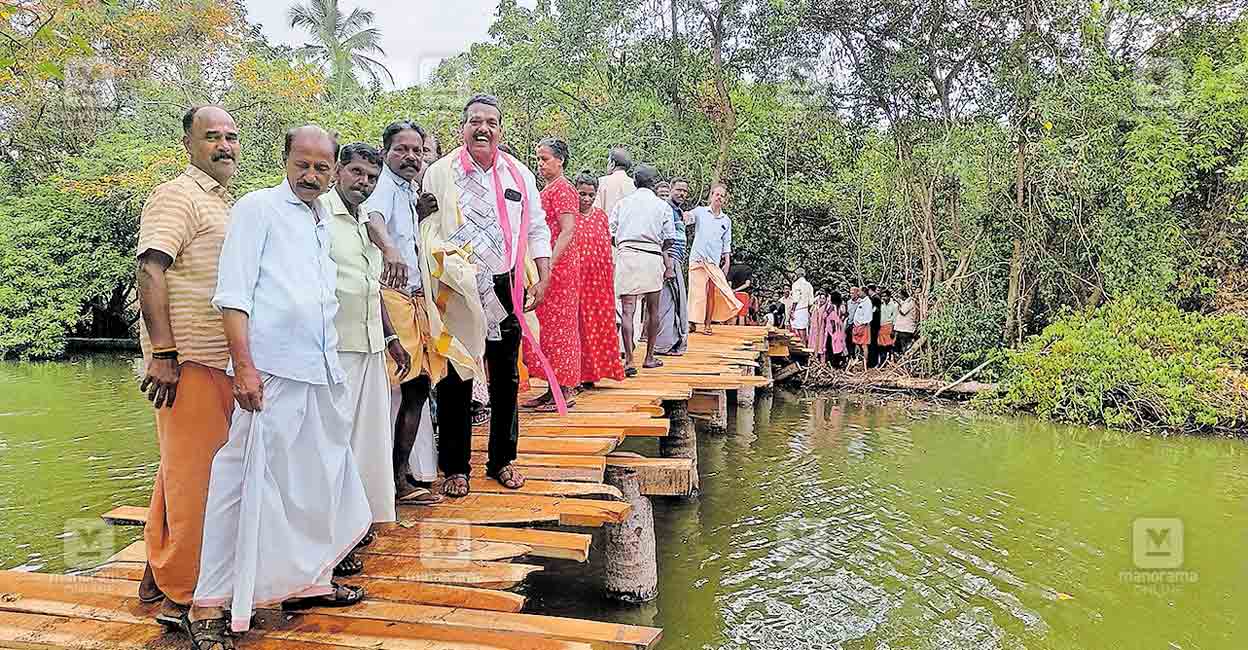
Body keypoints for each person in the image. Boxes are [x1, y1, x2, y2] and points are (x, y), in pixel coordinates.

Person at [188, 126, 371, 647]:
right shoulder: (256, 209)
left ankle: (306, 579)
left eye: (321, 168)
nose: (311, 176)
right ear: (284, 161)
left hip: (319, 369)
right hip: (270, 372)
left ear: (333, 170)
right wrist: (243, 366)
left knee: (318, 478)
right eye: (302, 165)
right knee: (243, 479)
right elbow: (233, 295)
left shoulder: (320, 219)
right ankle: (210, 602)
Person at [417, 94, 555, 498]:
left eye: (491, 122)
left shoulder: (520, 175)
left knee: (505, 374)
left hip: (504, 282)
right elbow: (425, 227)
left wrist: (542, 275)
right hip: (456, 284)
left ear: (501, 130)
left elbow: (536, 227)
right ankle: (455, 466)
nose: (483, 128)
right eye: (475, 121)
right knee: (457, 372)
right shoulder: (439, 173)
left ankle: (502, 460)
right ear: (462, 128)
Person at [135, 105, 239, 629]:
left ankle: (157, 574)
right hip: (189, 358)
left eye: (230, 136)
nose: (224, 145)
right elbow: (151, 268)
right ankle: (188, 591)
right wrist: (164, 353)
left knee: (180, 466)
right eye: (211, 137)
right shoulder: (177, 195)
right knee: (198, 475)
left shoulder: (221, 202)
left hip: (217, 358)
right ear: (188, 144)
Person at [326, 142, 438, 578]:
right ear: (339, 172)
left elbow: (368, 285)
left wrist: (390, 336)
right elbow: (381, 234)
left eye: (369, 178)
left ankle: (361, 516)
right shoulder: (326, 217)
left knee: (366, 433)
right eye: (356, 173)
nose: (364, 183)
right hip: (339, 348)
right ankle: (337, 534)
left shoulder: (383, 206)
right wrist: (392, 250)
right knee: (340, 437)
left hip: (375, 337)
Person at [361, 120, 443, 502]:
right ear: (386, 152)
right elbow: (373, 220)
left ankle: (399, 477)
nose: (411, 157)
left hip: (414, 300)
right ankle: (389, 482)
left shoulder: (408, 189)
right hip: (392, 300)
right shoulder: (381, 185)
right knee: (398, 390)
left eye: (418, 151)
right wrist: (389, 249)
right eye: (402, 150)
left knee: (417, 388)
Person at [522, 137, 581, 410]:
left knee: (561, 328)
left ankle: (566, 391)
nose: (540, 164)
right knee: (546, 327)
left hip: (559, 268)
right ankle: (551, 388)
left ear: (561, 161)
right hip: (547, 267)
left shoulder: (564, 190)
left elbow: (567, 230)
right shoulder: (548, 189)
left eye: (545, 159)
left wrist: (550, 265)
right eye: (538, 159)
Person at [610, 164, 677, 376]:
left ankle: (629, 360)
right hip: (651, 256)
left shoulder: (622, 204)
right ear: (653, 184)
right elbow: (670, 238)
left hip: (627, 255)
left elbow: (611, 233)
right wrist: (657, 247)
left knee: (628, 309)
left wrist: (624, 244)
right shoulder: (662, 206)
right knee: (653, 309)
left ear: (635, 182)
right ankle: (648, 357)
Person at [572, 172, 625, 386]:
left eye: (590, 194)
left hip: (599, 283)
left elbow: (606, 250)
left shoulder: (602, 216)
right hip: (575, 282)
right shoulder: (569, 216)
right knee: (578, 327)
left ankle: (592, 374)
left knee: (596, 325)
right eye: (582, 193)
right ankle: (576, 374)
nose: (586, 198)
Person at [687, 184, 742, 335]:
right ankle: (691, 322)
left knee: (712, 291)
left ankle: (707, 323)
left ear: (725, 200)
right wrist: (682, 214)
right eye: (716, 194)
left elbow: (727, 242)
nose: (719, 197)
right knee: (696, 291)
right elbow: (688, 218)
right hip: (697, 257)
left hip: (713, 260)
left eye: (722, 195)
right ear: (711, 195)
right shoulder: (700, 212)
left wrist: (727, 260)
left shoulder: (726, 220)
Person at [652, 180, 689, 356]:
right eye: (679, 190)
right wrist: (668, 265)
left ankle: (671, 342)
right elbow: (663, 239)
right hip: (670, 261)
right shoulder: (665, 208)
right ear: (671, 190)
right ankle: (664, 344)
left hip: (676, 260)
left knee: (675, 302)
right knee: (668, 301)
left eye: (685, 191)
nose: (682, 193)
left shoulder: (678, 211)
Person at [594, 147, 636, 214]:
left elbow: (596, 210)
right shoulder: (634, 184)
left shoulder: (602, 182)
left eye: (608, 162)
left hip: (606, 223)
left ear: (612, 164)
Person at [852, 286, 873, 371]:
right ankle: (859, 363)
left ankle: (865, 365)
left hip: (863, 326)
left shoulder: (868, 302)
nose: (858, 293)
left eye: (859, 291)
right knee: (858, 345)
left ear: (864, 292)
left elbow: (868, 317)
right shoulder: (861, 301)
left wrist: (860, 325)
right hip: (857, 326)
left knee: (864, 346)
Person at [825, 291, 848, 368]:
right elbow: (844, 314)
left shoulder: (831, 306)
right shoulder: (841, 306)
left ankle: (833, 363)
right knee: (839, 345)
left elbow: (827, 314)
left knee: (831, 346)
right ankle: (839, 362)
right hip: (839, 328)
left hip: (832, 328)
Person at [790, 268, 814, 340]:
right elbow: (811, 301)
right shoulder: (809, 285)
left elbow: (796, 299)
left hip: (798, 309)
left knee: (797, 332)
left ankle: (800, 348)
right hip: (805, 310)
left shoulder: (796, 284)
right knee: (804, 331)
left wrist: (792, 311)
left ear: (797, 275)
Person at [727, 261, 753, 325]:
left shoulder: (732, 268)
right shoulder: (747, 268)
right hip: (744, 295)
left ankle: (731, 333)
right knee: (742, 316)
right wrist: (736, 290)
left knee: (734, 315)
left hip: (734, 295)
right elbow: (747, 284)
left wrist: (732, 291)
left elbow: (729, 283)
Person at [894, 288, 918, 356]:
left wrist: (898, 302)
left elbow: (903, 312)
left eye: (900, 295)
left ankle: (905, 358)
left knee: (905, 346)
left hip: (906, 329)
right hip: (902, 328)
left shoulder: (910, 302)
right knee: (899, 346)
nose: (899, 296)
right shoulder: (906, 302)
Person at [878, 289, 898, 366]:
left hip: (889, 326)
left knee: (888, 346)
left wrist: (893, 330)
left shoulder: (894, 306)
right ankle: (882, 362)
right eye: (882, 296)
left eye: (885, 296)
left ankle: (888, 361)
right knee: (880, 346)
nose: (884, 298)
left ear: (889, 296)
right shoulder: (881, 305)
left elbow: (894, 318)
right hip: (881, 327)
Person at [807, 291, 828, 364]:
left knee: (822, 346)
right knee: (813, 345)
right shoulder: (816, 307)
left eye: (823, 298)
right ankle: (813, 362)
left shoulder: (827, 308)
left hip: (822, 330)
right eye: (820, 298)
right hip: (814, 330)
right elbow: (810, 313)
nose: (822, 300)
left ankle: (823, 364)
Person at [867, 284, 883, 368]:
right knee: (872, 343)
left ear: (870, 290)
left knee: (873, 343)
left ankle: (873, 362)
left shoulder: (875, 298)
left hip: (874, 324)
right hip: (874, 324)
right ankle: (872, 362)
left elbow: (874, 311)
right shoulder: (874, 298)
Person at [845, 286, 862, 360]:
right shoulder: (848, 302)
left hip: (857, 325)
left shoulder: (861, 302)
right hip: (849, 324)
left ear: (857, 293)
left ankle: (857, 358)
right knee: (848, 341)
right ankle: (850, 357)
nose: (851, 295)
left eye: (852, 293)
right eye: (850, 293)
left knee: (857, 343)